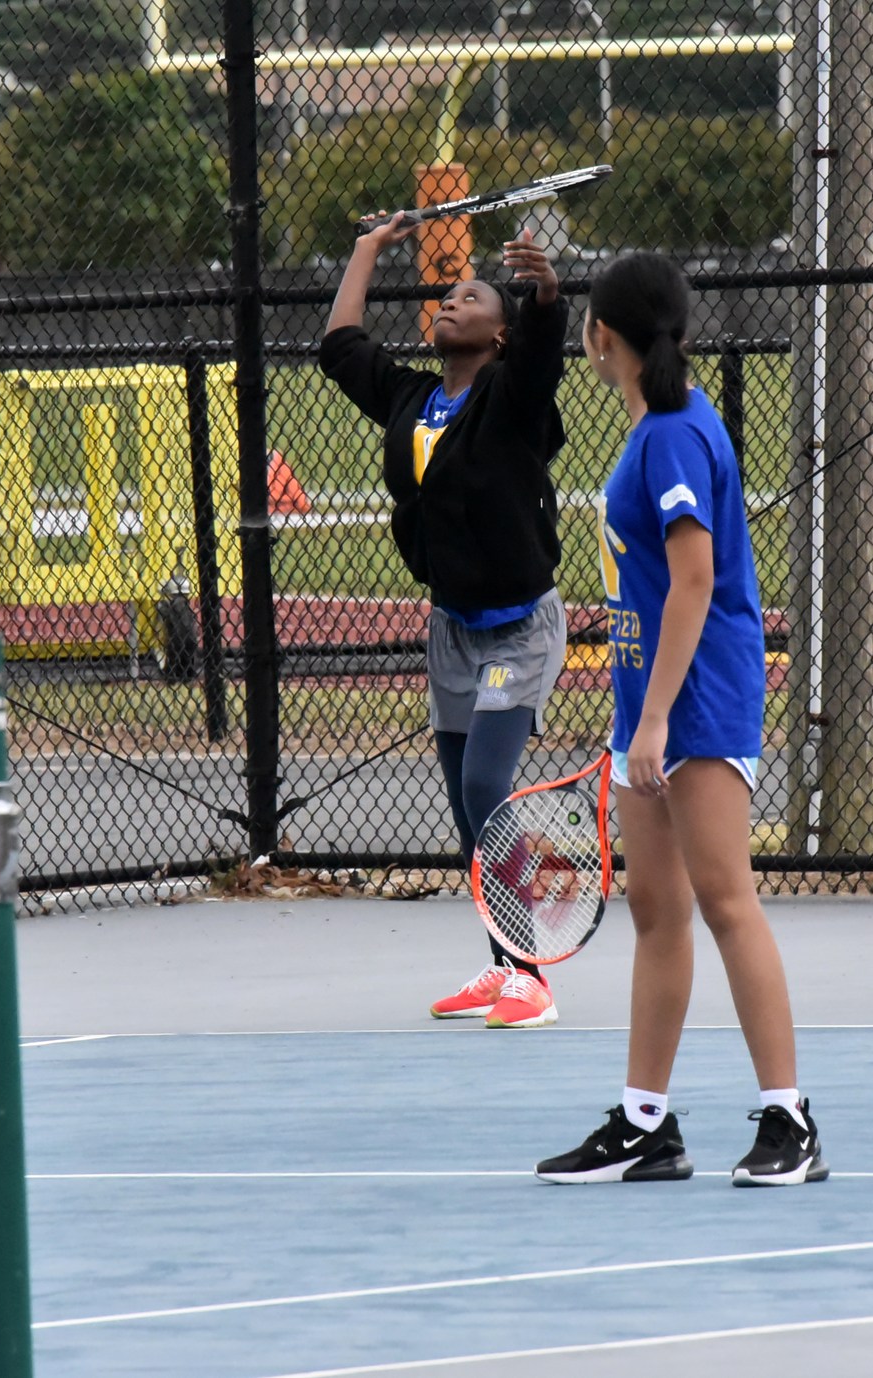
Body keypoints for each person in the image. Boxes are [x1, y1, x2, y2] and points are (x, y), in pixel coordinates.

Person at [535, 252, 825, 1184]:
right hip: (649, 707)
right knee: (657, 911)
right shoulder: (652, 430)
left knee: (726, 901)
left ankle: (790, 1120)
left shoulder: (672, 436)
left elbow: (696, 582)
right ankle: (646, 1123)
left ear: (603, 337)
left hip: (698, 700)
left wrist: (656, 717)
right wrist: (634, 717)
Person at [319, 216, 571, 1029]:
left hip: (519, 626)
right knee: (468, 811)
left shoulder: (510, 393)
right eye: (446, 295)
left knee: (485, 788)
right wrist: (367, 251)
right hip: (452, 628)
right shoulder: (412, 399)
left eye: (471, 297)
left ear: (498, 334)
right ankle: (503, 963)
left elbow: (540, 361)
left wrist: (544, 291)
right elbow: (340, 346)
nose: (449, 303)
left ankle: (531, 975)